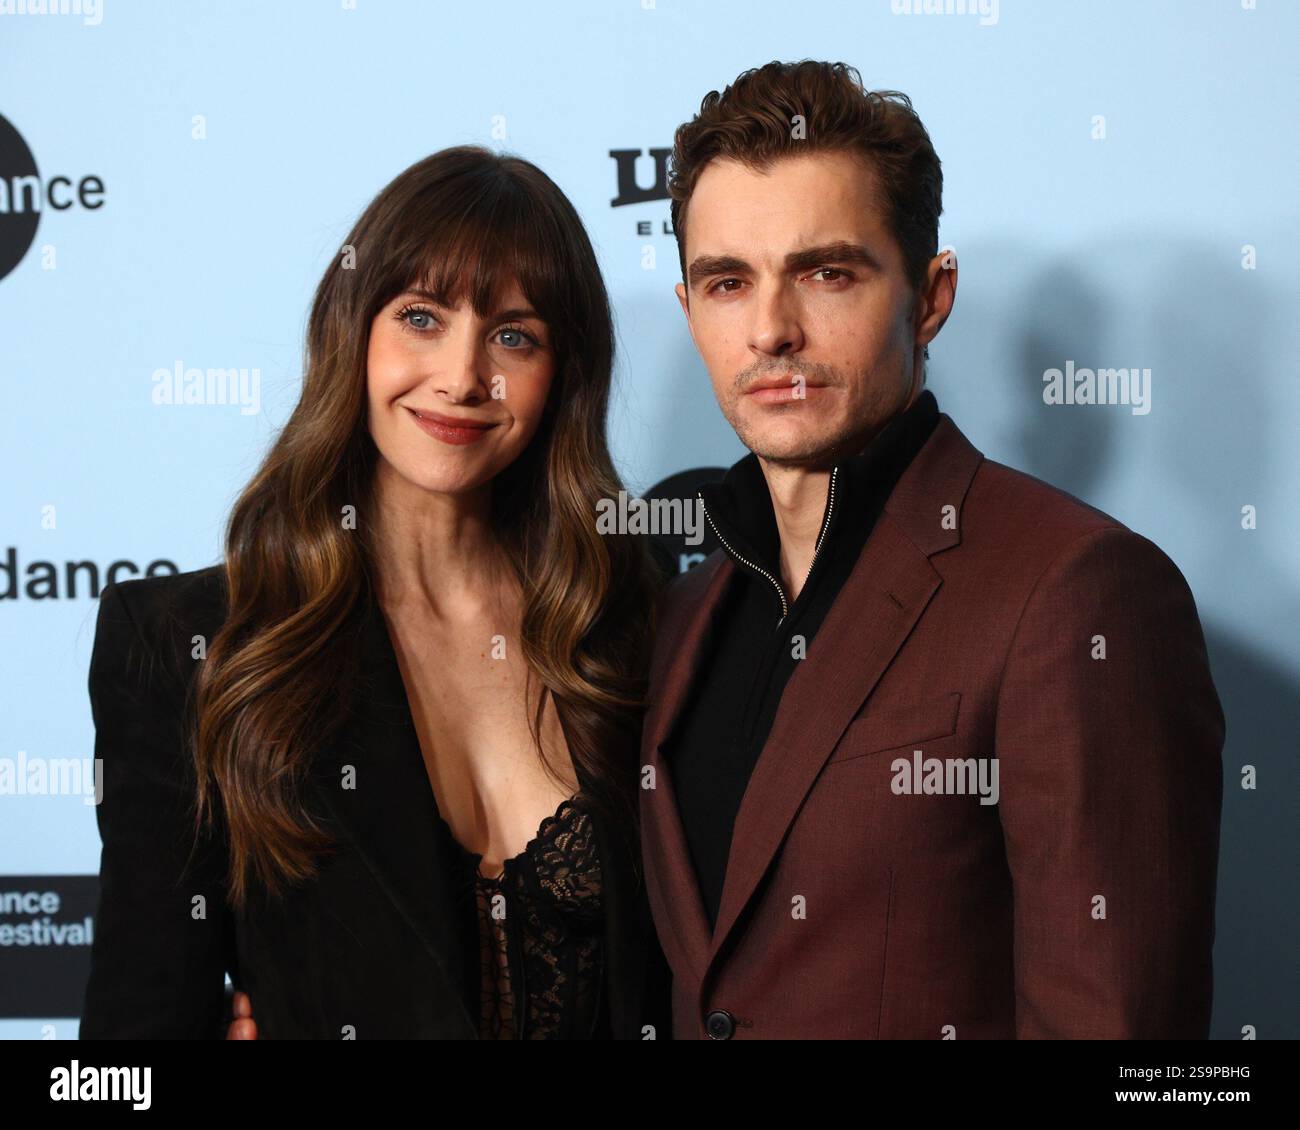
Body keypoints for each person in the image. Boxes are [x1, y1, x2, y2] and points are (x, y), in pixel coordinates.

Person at [640, 60, 1224, 1039]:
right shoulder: (688, 605)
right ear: (691, 307)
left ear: (930, 296)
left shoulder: (1076, 589)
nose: (772, 329)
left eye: (827, 272)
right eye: (728, 282)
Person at [79, 146, 670, 1040]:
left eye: (515, 335)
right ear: (352, 330)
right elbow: (121, 1057)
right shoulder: (191, 646)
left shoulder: (630, 629)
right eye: (422, 317)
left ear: (565, 376)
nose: (464, 376)